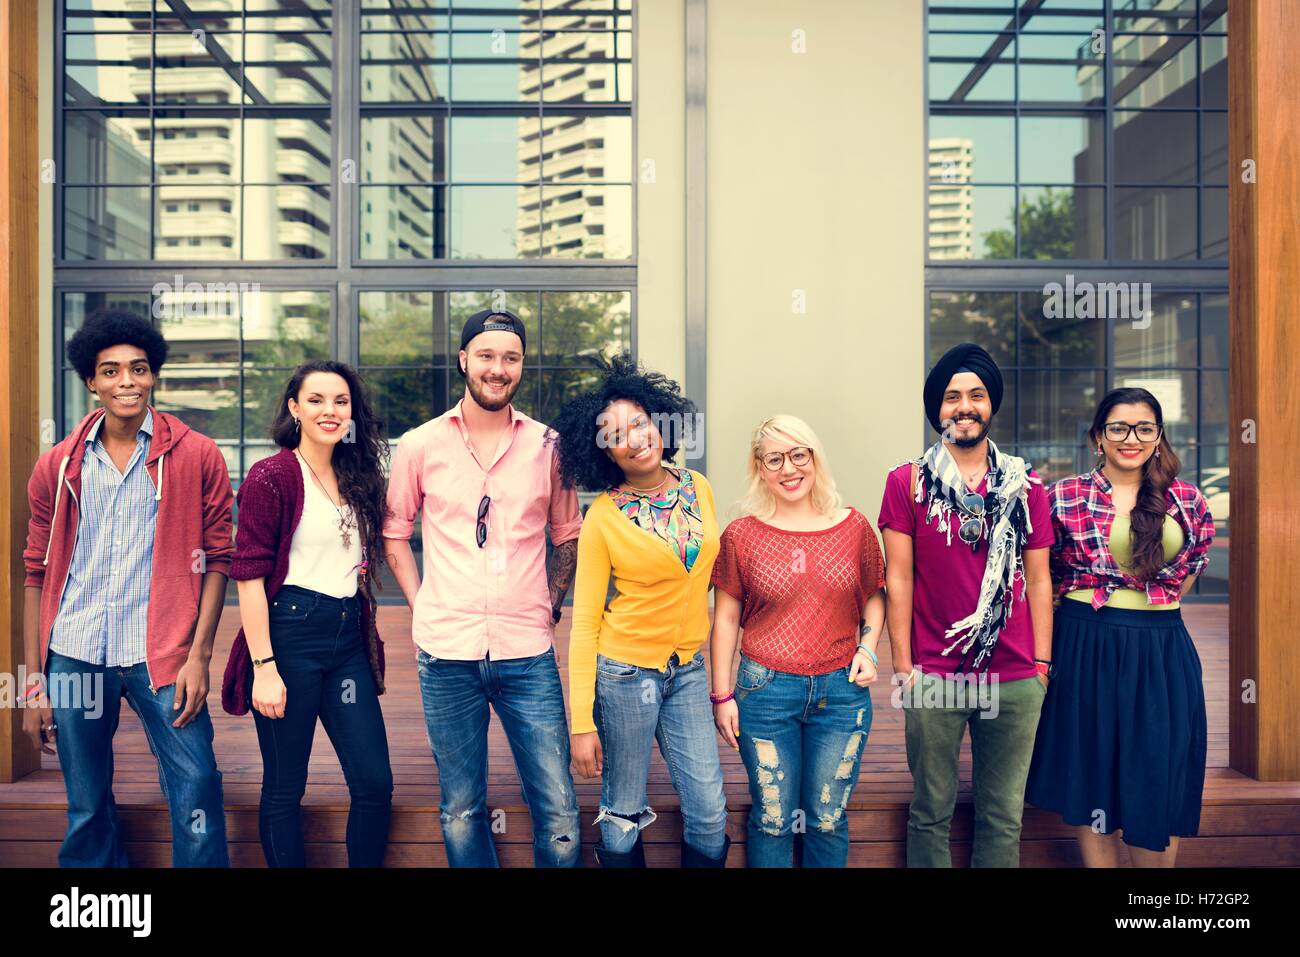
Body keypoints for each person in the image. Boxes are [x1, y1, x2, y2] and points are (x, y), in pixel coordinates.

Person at [22, 308, 233, 867]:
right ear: (91, 381)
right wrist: (34, 684)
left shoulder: (195, 455)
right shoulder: (58, 465)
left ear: (154, 375)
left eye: (138, 369)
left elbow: (218, 558)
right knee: (87, 804)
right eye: (111, 371)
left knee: (198, 788)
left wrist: (199, 656)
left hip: (161, 653)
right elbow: (35, 573)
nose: (126, 382)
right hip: (76, 652)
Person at [383, 309, 582, 868]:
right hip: (446, 654)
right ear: (465, 359)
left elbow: (567, 533)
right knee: (461, 808)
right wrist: (424, 606)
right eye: (488, 356)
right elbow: (395, 533)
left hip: (527, 654)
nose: (499, 369)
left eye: (511, 358)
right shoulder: (419, 445)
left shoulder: (550, 447)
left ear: (521, 366)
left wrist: (551, 603)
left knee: (559, 809)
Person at [878, 342, 1054, 867]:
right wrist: (905, 666)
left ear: (991, 404)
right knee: (930, 810)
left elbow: (1040, 579)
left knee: (1003, 814)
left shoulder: (1026, 485)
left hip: (1017, 674)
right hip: (934, 674)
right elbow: (899, 577)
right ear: (937, 409)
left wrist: (1041, 663)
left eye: (976, 394)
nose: (964, 406)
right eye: (952, 397)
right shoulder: (905, 483)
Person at [1026, 387, 1215, 867]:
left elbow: (1191, 568)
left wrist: (1143, 605)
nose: (1131, 438)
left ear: (1158, 437)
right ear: (1098, 436)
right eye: (1118, 428)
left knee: (1159, 769)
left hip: (1160, 649)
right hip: (1084, 642)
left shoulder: (1187, 498)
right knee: (1092, 770)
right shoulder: (1062, 495)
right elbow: (1041, 576)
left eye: (1144, 428)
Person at [553, 353, 729, 867]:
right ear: (603, 452)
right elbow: (585, 623)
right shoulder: (604, 518)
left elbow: (708, 583)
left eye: (640, 422)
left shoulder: (699, 488)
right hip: (626, 673)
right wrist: (581, 723)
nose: (635, 436)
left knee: (710, 809)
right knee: (624, 810)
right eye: (617, 433)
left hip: (688, 670)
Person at [221, 360, 393, 867]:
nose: (330, 411)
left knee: (374, 782)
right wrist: (264, 667)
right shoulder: (271, 475)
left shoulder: (359, 475)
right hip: (289, 636)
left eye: (341, 401)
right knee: (284, 787)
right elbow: (249, 575)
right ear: (295, 408)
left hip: (347, 639)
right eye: (316, 400)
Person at [710, 415, 886, 867]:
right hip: (765, 693)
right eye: (775, 458)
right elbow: (726, 618)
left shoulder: (854, 528)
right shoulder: (741, 535)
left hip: (842, 694)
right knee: (773, 817)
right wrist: (722, 694)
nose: (789, 469)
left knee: (827, 817)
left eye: (798, 454)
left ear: (814, 458)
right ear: (760, 467)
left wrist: (868, 648)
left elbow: (874, 597)